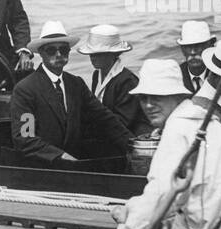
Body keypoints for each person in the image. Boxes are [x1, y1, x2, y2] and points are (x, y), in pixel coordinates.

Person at [93, 47, 221, 229]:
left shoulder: (177, 129)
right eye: (143, 98)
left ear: (177, 96)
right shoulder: (206, 120)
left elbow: (161, 192)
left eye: (157, 98)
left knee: (137, 219)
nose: (148, 105)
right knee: (144, 210)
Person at [8, 21, 132, 166]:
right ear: (41, 53)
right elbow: (25, 138)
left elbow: (105, 119)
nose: (59, 54)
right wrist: (60, 156)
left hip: (74, 167)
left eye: (63, 49)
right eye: (51, 50)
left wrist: (134, 145)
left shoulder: (76, 84)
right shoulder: (25, 90)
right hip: (41, 169)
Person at [76, 24, 150, 136]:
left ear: (113, 54)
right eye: (91, 53)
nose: (92, 57)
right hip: (106, 133)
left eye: (98, 54)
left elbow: (123, 123)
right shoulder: (97, 75)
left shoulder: (128, 81)